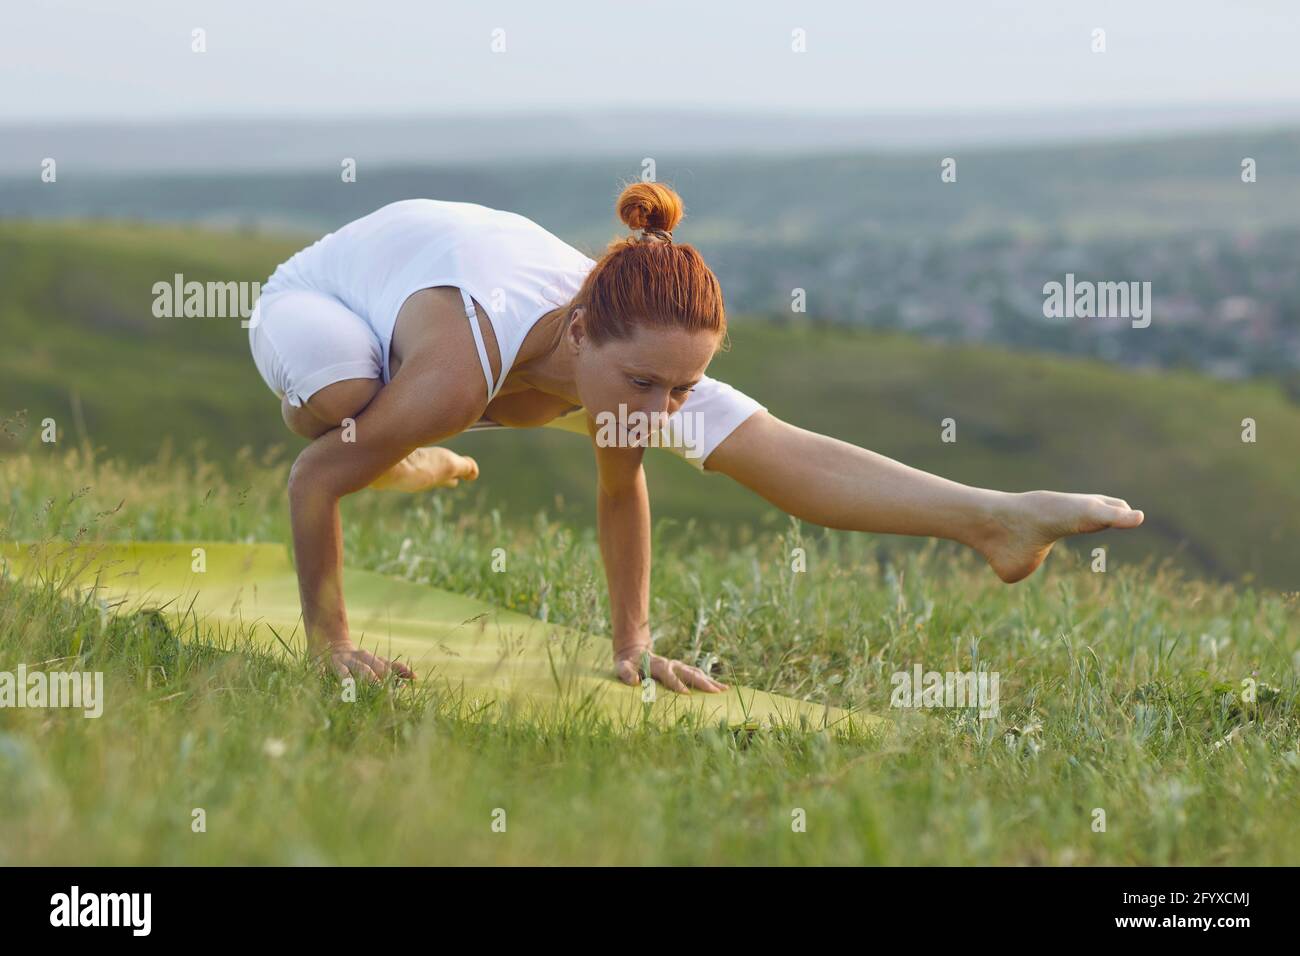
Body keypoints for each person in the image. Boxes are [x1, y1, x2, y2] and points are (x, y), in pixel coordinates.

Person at [248, 183, 1144, 693]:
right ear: (579, 335)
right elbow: (311, 482)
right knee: (347, 403)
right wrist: (331, 646)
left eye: (682, 385)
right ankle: (395, 445)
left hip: (514, 343)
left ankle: (992, 520)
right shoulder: (459, 365)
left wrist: (631, 645)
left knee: (761, 443)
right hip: (328, 298)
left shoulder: (636, 357)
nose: (662, 407)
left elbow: (621, 488)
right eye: (647, 385)